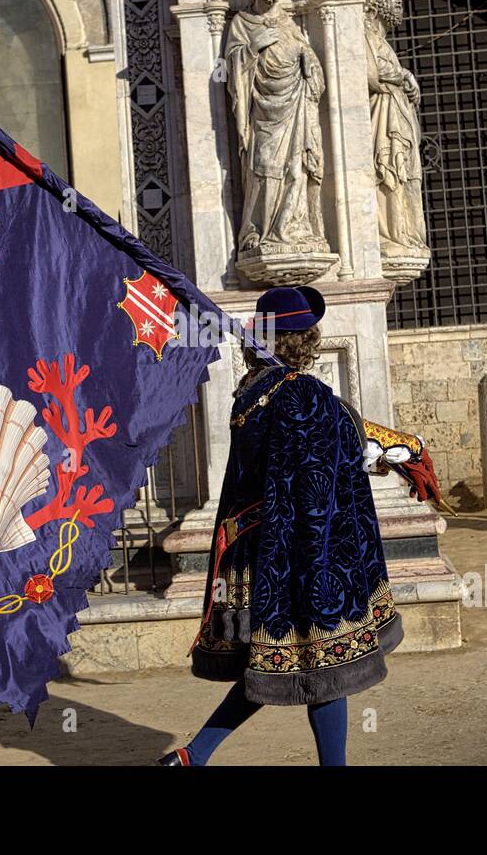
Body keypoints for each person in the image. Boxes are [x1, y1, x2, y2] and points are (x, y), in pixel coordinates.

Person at [159, 286, 406, 766]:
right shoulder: (303, 394)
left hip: (257, 557)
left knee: (275, 661)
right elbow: (323, 478)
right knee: (329, 661)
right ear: (304, 339)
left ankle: (193, 756)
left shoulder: (251, 393)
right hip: (303, 554)